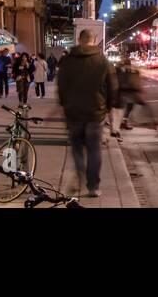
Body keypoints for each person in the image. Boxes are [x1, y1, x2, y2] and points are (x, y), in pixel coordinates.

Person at [56, 29, 118, 198]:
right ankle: (93, 186)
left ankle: (80, 173)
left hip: (73, 112)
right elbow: (112, 87)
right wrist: (108, 107)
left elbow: (61, 86)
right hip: (95, 113)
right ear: (94, 40)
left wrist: (64, 104)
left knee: (76, 148)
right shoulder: (102, 61)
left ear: (79, 40)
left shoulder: (68, 61)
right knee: (94, 149)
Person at [117, 57, 152, 131]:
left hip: (124, 91)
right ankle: (123, 122)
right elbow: (136, 81)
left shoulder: (120, 70)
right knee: (129, 107)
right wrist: (140, 89)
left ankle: (123, 122)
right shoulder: (134, 71)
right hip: (130, 91)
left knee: (124, 108)